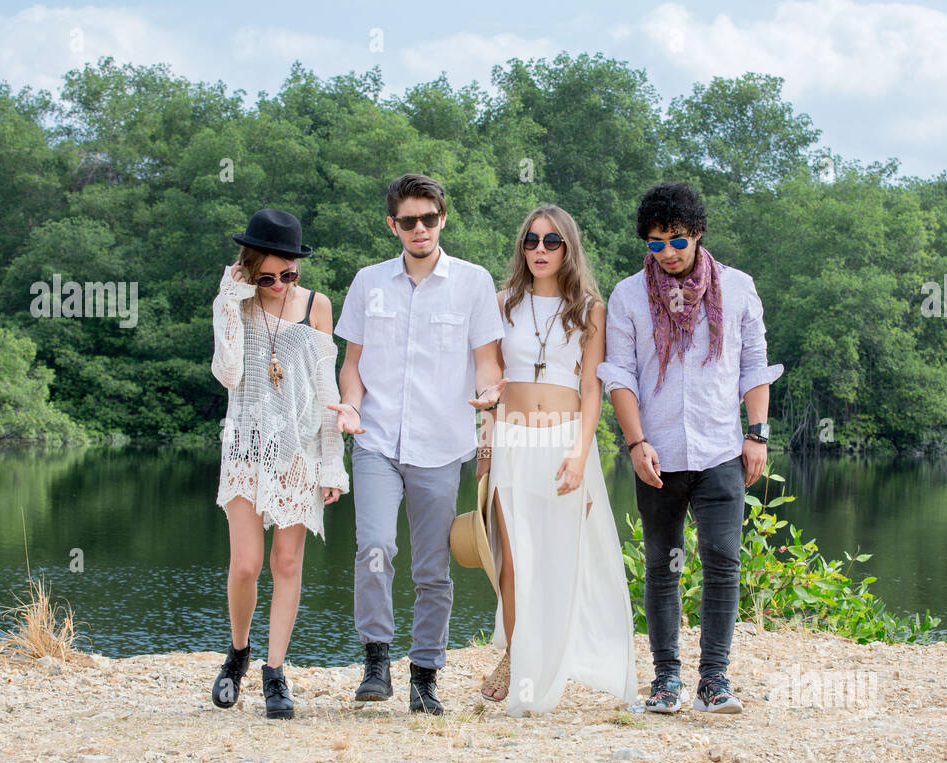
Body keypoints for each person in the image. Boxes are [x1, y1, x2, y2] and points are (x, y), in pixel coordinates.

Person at [598, 183, 783, 715]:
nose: (668, 253)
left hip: (721, 447)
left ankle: (715, 680)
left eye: (677, 241)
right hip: (656, 451)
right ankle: (666, 679)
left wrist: (757, 434)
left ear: (698, 233)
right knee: (662, 565)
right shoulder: (629, 295)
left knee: (723, 561)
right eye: (656, 244)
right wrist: (635, 443)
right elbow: (621, 376)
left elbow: (754, 365)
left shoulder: (740, 288)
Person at [333, 174, 506, 715]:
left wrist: (489, 400)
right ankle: (376, 662)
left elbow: (486, 365)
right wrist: (351, 406)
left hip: (440, 443)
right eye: (408, 221)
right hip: (376, 438)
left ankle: (425, 676)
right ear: (393, 226)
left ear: (443, 219)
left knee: (432, 569)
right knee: (375, 547)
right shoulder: (368, 282)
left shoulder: (474, 282)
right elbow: (353, 365)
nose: (419, 229)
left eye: (428, 218)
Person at [477, 205, 638, 716]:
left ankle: (547, 659)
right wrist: (484, 421)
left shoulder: (590, 308)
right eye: (531, 241)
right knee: (515, 560)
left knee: (558, 558)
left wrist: (579, 452)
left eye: (551, 242)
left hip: (565, 440)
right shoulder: (502, 303)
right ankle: (516, 653)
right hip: (513, 439)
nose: (540, 250)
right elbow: (488, 375)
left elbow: (591, 387)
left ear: (568, 247)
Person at [209, 208, 349, 719]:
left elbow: (328, 391)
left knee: (286, 563)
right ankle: (238, 654)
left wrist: (333, 464)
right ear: (249, 267)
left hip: (299, 450)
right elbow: (226, 373)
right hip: (246, 447)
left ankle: (274, 672)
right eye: (266, 276)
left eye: (287, 275)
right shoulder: (236, 304)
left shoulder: (317, 306)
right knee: (246, 564)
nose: (277, 284)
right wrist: (230, 302)